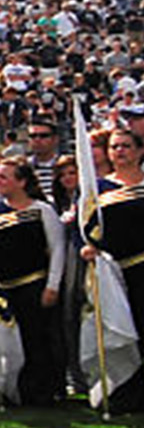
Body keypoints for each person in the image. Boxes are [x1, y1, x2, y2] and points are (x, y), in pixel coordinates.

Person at [0, 157, 64, 405]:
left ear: (22, 181)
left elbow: (57, 248)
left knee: (36, 340)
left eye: (4, 177)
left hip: (34, 285)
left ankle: (42, 390)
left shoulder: (42, 210)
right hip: (5, 289)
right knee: (9, 342)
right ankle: (12, 389)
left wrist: (52, 285)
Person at [80, 127, 144, 411]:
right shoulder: (99, 188)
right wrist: (88, 247)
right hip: (116, 273)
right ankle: (126, 393)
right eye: (115, 146)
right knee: (123, 330)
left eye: (126, 146)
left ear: (140, 151)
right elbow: (85, 228)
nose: (120, 151)